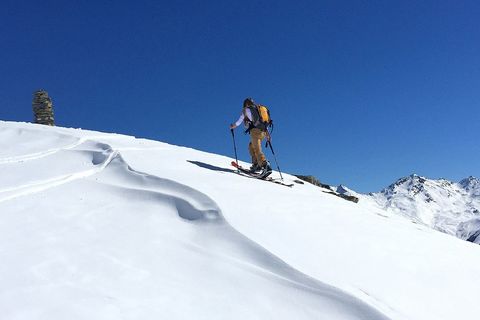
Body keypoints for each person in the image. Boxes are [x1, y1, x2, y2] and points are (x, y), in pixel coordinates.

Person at [230, 97, 272, 175]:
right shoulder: (258, 110)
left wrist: (233, 126)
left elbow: (239, 122)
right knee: (251, 146)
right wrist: (268, 135)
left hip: (255, 132)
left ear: (246, 104)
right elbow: (264, 123)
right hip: (262, 132)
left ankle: (265, 165)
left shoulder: (246, 110)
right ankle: (256, 165)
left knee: (256, 149)